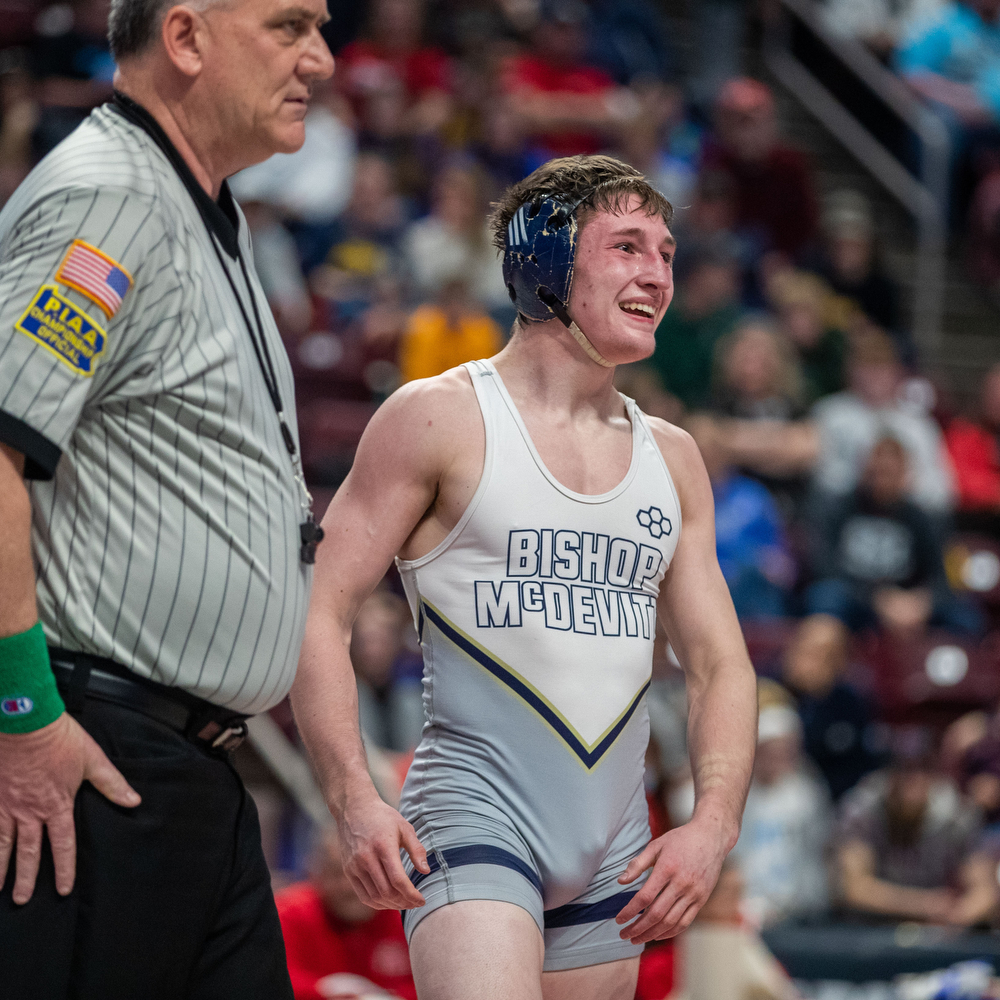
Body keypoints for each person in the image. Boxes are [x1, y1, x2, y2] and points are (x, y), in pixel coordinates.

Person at [292, 154, 758, 999]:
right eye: (627, 247)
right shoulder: (440, 417)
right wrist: (353, 797)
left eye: (667, 254)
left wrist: (712, 825)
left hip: (615, 838)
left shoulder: (674, 458)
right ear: (545, 262)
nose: (657, 274)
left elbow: (721, 663)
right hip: (473, 812)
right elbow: (318, 608)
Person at [0, 0, 334, 994]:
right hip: (89, 757)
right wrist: (21, 715)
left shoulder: (198, 202)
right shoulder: (111, 201)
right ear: (187, 39)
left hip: (187, 769)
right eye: (289, 26)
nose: (320, 58)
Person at [806, 436, 981, 634]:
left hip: (907, 599)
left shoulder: (921, 519)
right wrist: (876, 598)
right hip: (855, 594)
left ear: (905, 474)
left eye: (889, 473)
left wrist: (921, 602)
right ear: (864, 470)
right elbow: (825, 566)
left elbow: (940, 575)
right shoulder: (841, 508)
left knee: (967, 618)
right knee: (826, 598)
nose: (881, 481)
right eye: (876, 472)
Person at [836, 741, 999, 925]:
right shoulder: (863, 809)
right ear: (889, 774)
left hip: (932, 934)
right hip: (867, 931)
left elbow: (985, 892)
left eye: (923, 769)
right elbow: (854, 889)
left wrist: (960, 914)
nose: (913, 779)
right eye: (905, 769)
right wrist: (925, 905)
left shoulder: (956, 815)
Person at [277, 825, 417, 1000]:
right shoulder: (288, 913)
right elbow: (267, 979)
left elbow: (436, 984)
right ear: (315, 873)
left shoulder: (408, 915)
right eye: (336, 874)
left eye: (363, 873)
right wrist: (323, 990)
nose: (349, 887)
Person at [731, 682, 831, 926]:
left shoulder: (806, 794)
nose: (778, 757)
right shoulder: (731, 794)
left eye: (786, 749)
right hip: (742, 913)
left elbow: (815, 857)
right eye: (770, 750)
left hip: (798, 915)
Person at [780, 614, 880, 801]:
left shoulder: (851, 703)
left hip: (837, 805)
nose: (808, 663)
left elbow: (862, 767)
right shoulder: (767, 692)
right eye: (804, 651)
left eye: (823, 655)